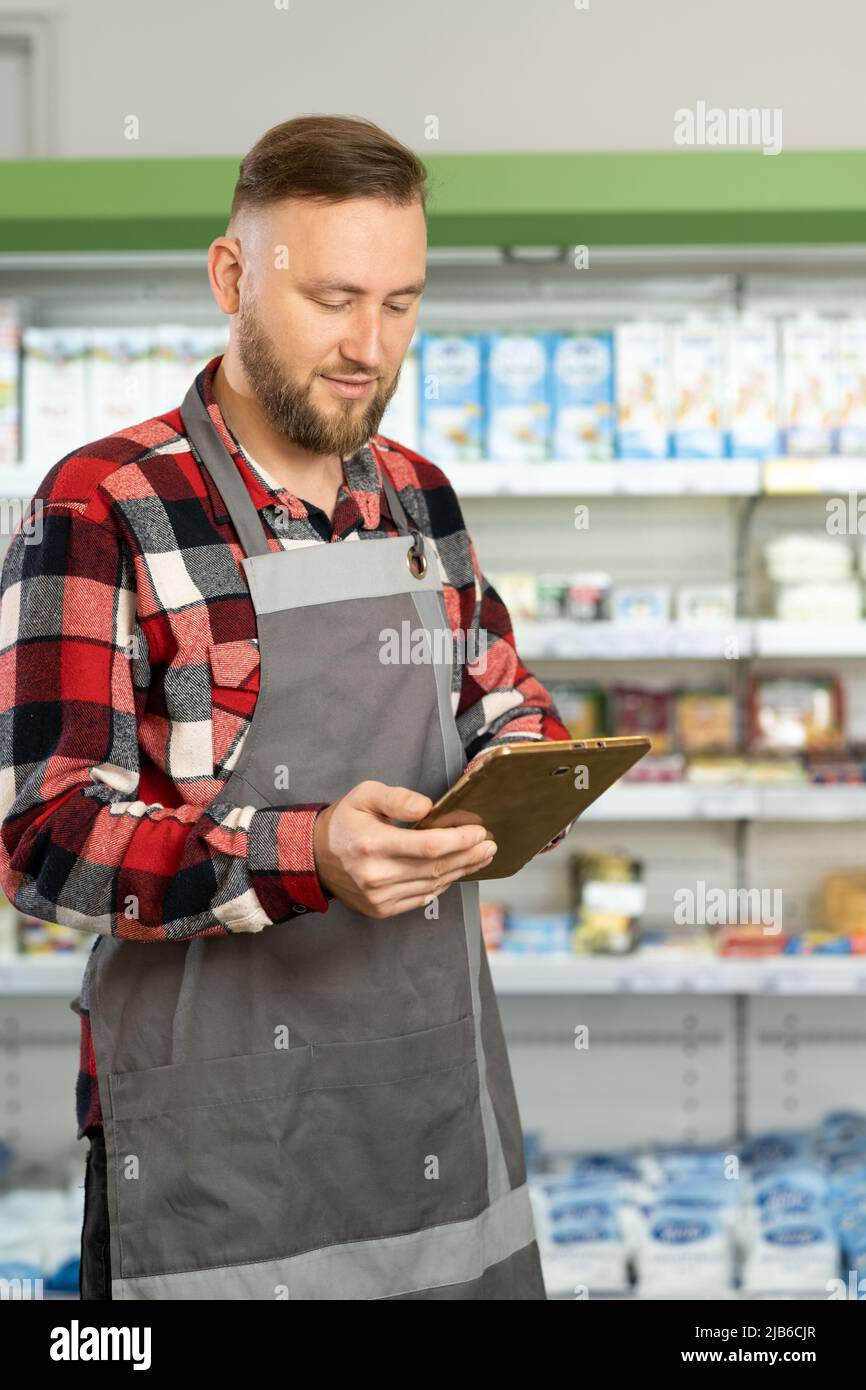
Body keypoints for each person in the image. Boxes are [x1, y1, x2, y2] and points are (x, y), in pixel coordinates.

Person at [0, 115, 573, 1301]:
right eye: (333, 298)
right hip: (212, 1151)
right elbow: (41, 839)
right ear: (230, 277)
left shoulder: (421, 498)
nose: (371, 345)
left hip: (431, 1115)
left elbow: (504, 701)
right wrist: (304, 853)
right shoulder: (103, 503)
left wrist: (535, 774)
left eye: (402, 302)